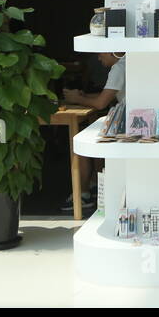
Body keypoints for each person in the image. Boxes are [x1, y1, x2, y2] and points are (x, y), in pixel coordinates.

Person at [59, 52, 125, 211]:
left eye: (100, 53)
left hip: (123, 124)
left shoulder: (118, 68)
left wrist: (77, 99)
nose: (98, 58)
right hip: (126, 120)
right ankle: (95, 184)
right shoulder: (127, 63)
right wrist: (84, 96)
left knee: (82, 139)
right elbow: (108, 95)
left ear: (112, 51)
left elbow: (101, 103)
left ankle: (82, 193)